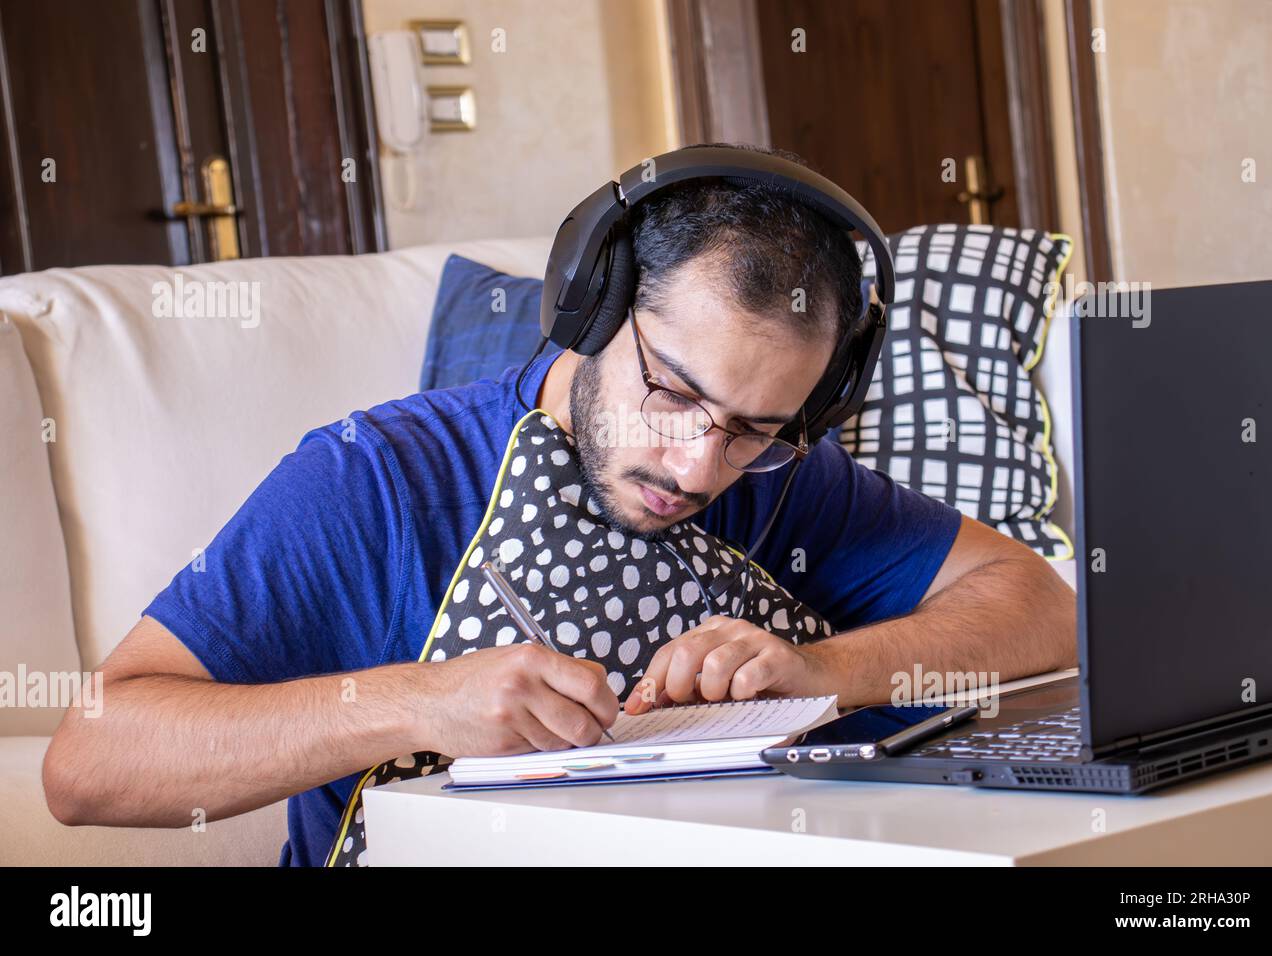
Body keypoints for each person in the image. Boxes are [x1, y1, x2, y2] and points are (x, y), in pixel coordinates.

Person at [42, 144, 1075, 866]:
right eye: (671, 390)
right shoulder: (375, 479)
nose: (697, 463)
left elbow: (1037, 603)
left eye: (756, 425)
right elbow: (88, 763)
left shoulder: (781, 472)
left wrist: (823, 670)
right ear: (588, 306)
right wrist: (416, 702)